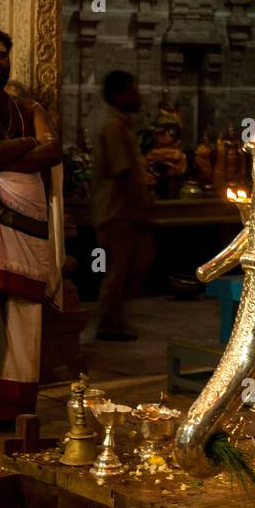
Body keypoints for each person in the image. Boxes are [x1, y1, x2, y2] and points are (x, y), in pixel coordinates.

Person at [0, 27, 62, 422]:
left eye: (2, 55)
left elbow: (52, 150)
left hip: (25, 229)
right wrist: (26, 146)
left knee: (22, 315)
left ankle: (13, 407)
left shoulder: (29, 108)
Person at [91, 71, 154, 340]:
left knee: (123, 268)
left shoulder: (116, 122)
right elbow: (123, 171)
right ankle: (108, 324)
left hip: (119, 208)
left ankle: (113, 319)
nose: (138, 96)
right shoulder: (112, 126)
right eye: (132, 90)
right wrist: (141, 206)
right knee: (116, 270)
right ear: (120, 95)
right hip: (118, 209)